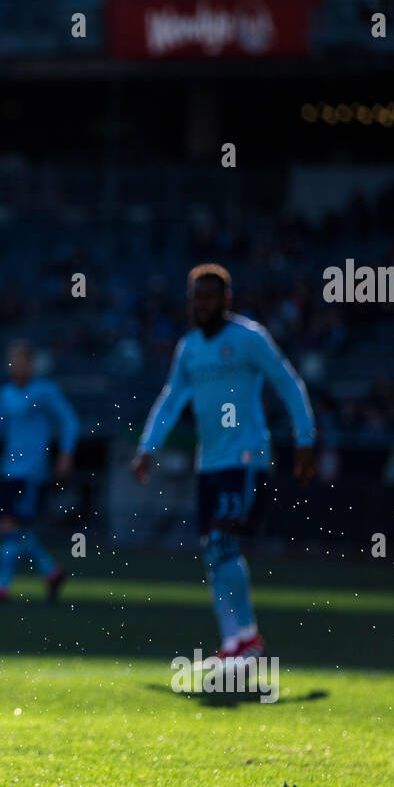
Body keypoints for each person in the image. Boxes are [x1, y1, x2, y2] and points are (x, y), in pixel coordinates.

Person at [131, 264, 315, 661]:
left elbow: (288, 382)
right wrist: (148, 447)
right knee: (213, 552)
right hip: (209, 463)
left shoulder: (249, 338)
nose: (204, 304)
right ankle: (235, 642)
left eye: (212, 296)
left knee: (221, 542)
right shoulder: (189, 349)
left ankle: (247, 641)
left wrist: (305, 439)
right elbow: (170, 399)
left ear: (227, 300)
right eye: (198, 296)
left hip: (245, 456)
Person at [0, 339, 79, 602]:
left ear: (31, 363)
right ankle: (52, 572)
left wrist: (66, 452)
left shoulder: (45, 391)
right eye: (11, 360)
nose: (14, 365)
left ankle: (2, 587)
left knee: (9, 526)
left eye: (19, 360)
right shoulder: (6, 394)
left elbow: (69, 420)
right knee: (15, 529)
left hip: (33, 473)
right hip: (9, 471)